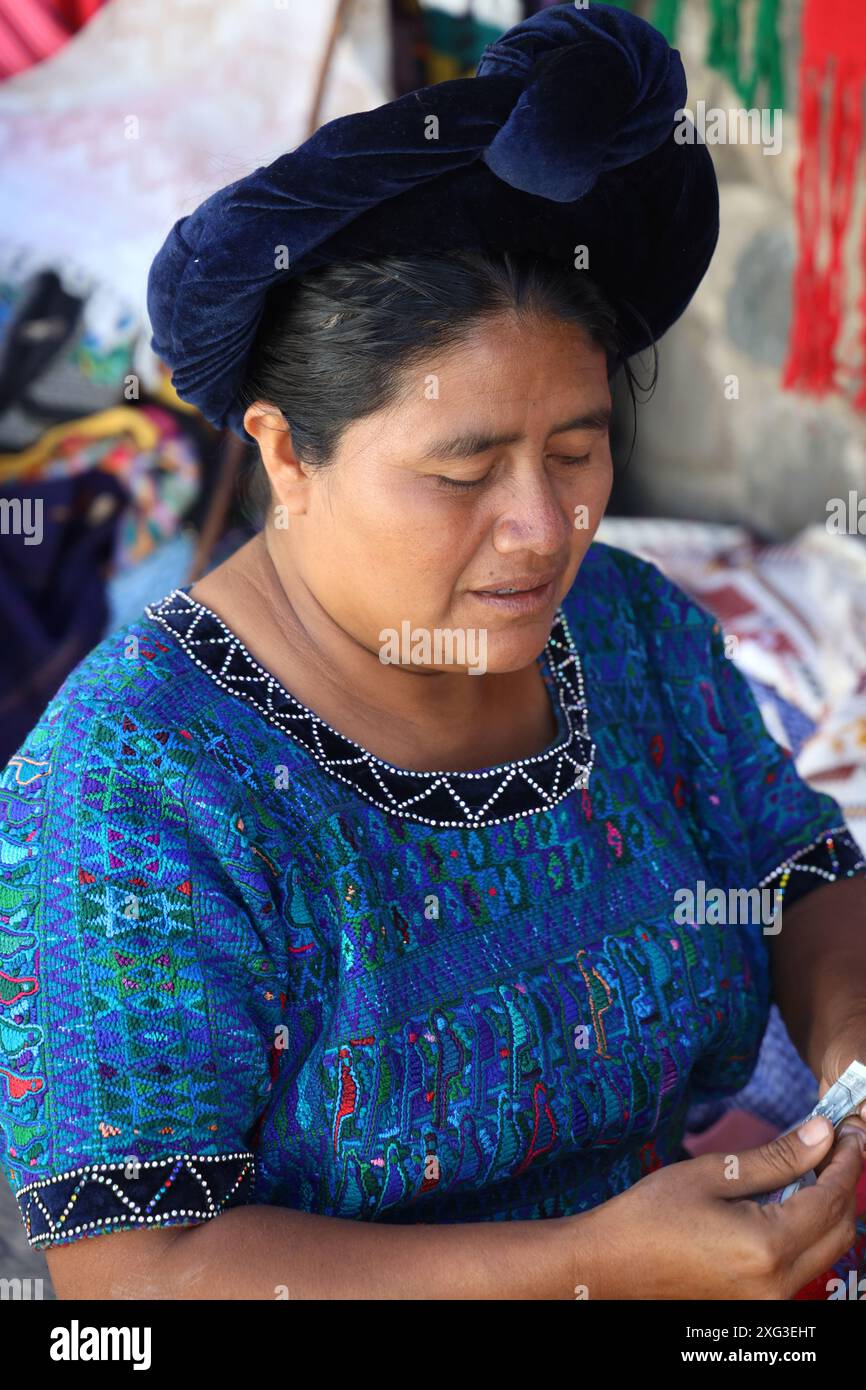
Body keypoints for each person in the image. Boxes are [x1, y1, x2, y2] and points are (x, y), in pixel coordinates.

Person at [2, 2, 866, 1301]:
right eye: (462, 470)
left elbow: (796, 868)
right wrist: (583, 1267)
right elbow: (127, 1271)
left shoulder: (627, 630)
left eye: (575, 452)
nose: (541, 528)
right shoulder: (137, 789)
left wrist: (850, 1068)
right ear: (286, 452)